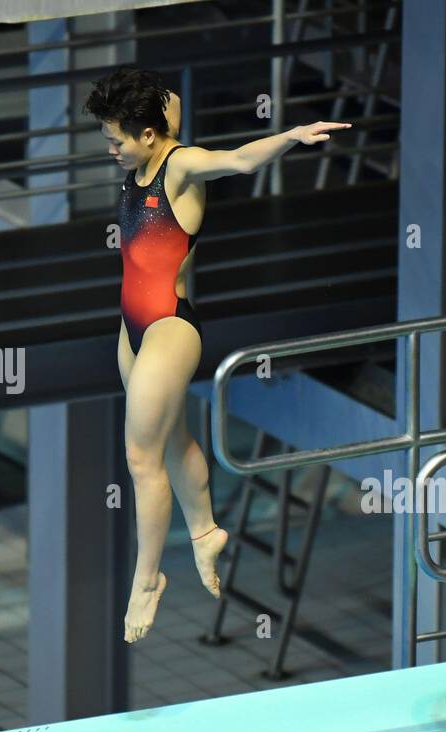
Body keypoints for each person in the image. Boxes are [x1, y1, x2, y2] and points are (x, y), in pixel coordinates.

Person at [83, 67, 351, 642]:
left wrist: (290, 136)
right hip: (131, 328)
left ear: (149, 135)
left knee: (140, 461)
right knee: (171, 439)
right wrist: (136, 93)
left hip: (169, 328)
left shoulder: (176, 164)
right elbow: (169, 96)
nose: (110, 149)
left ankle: (147, 580)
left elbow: (236, 161)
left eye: (116, 139)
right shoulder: (147, 149)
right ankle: (204, 531)